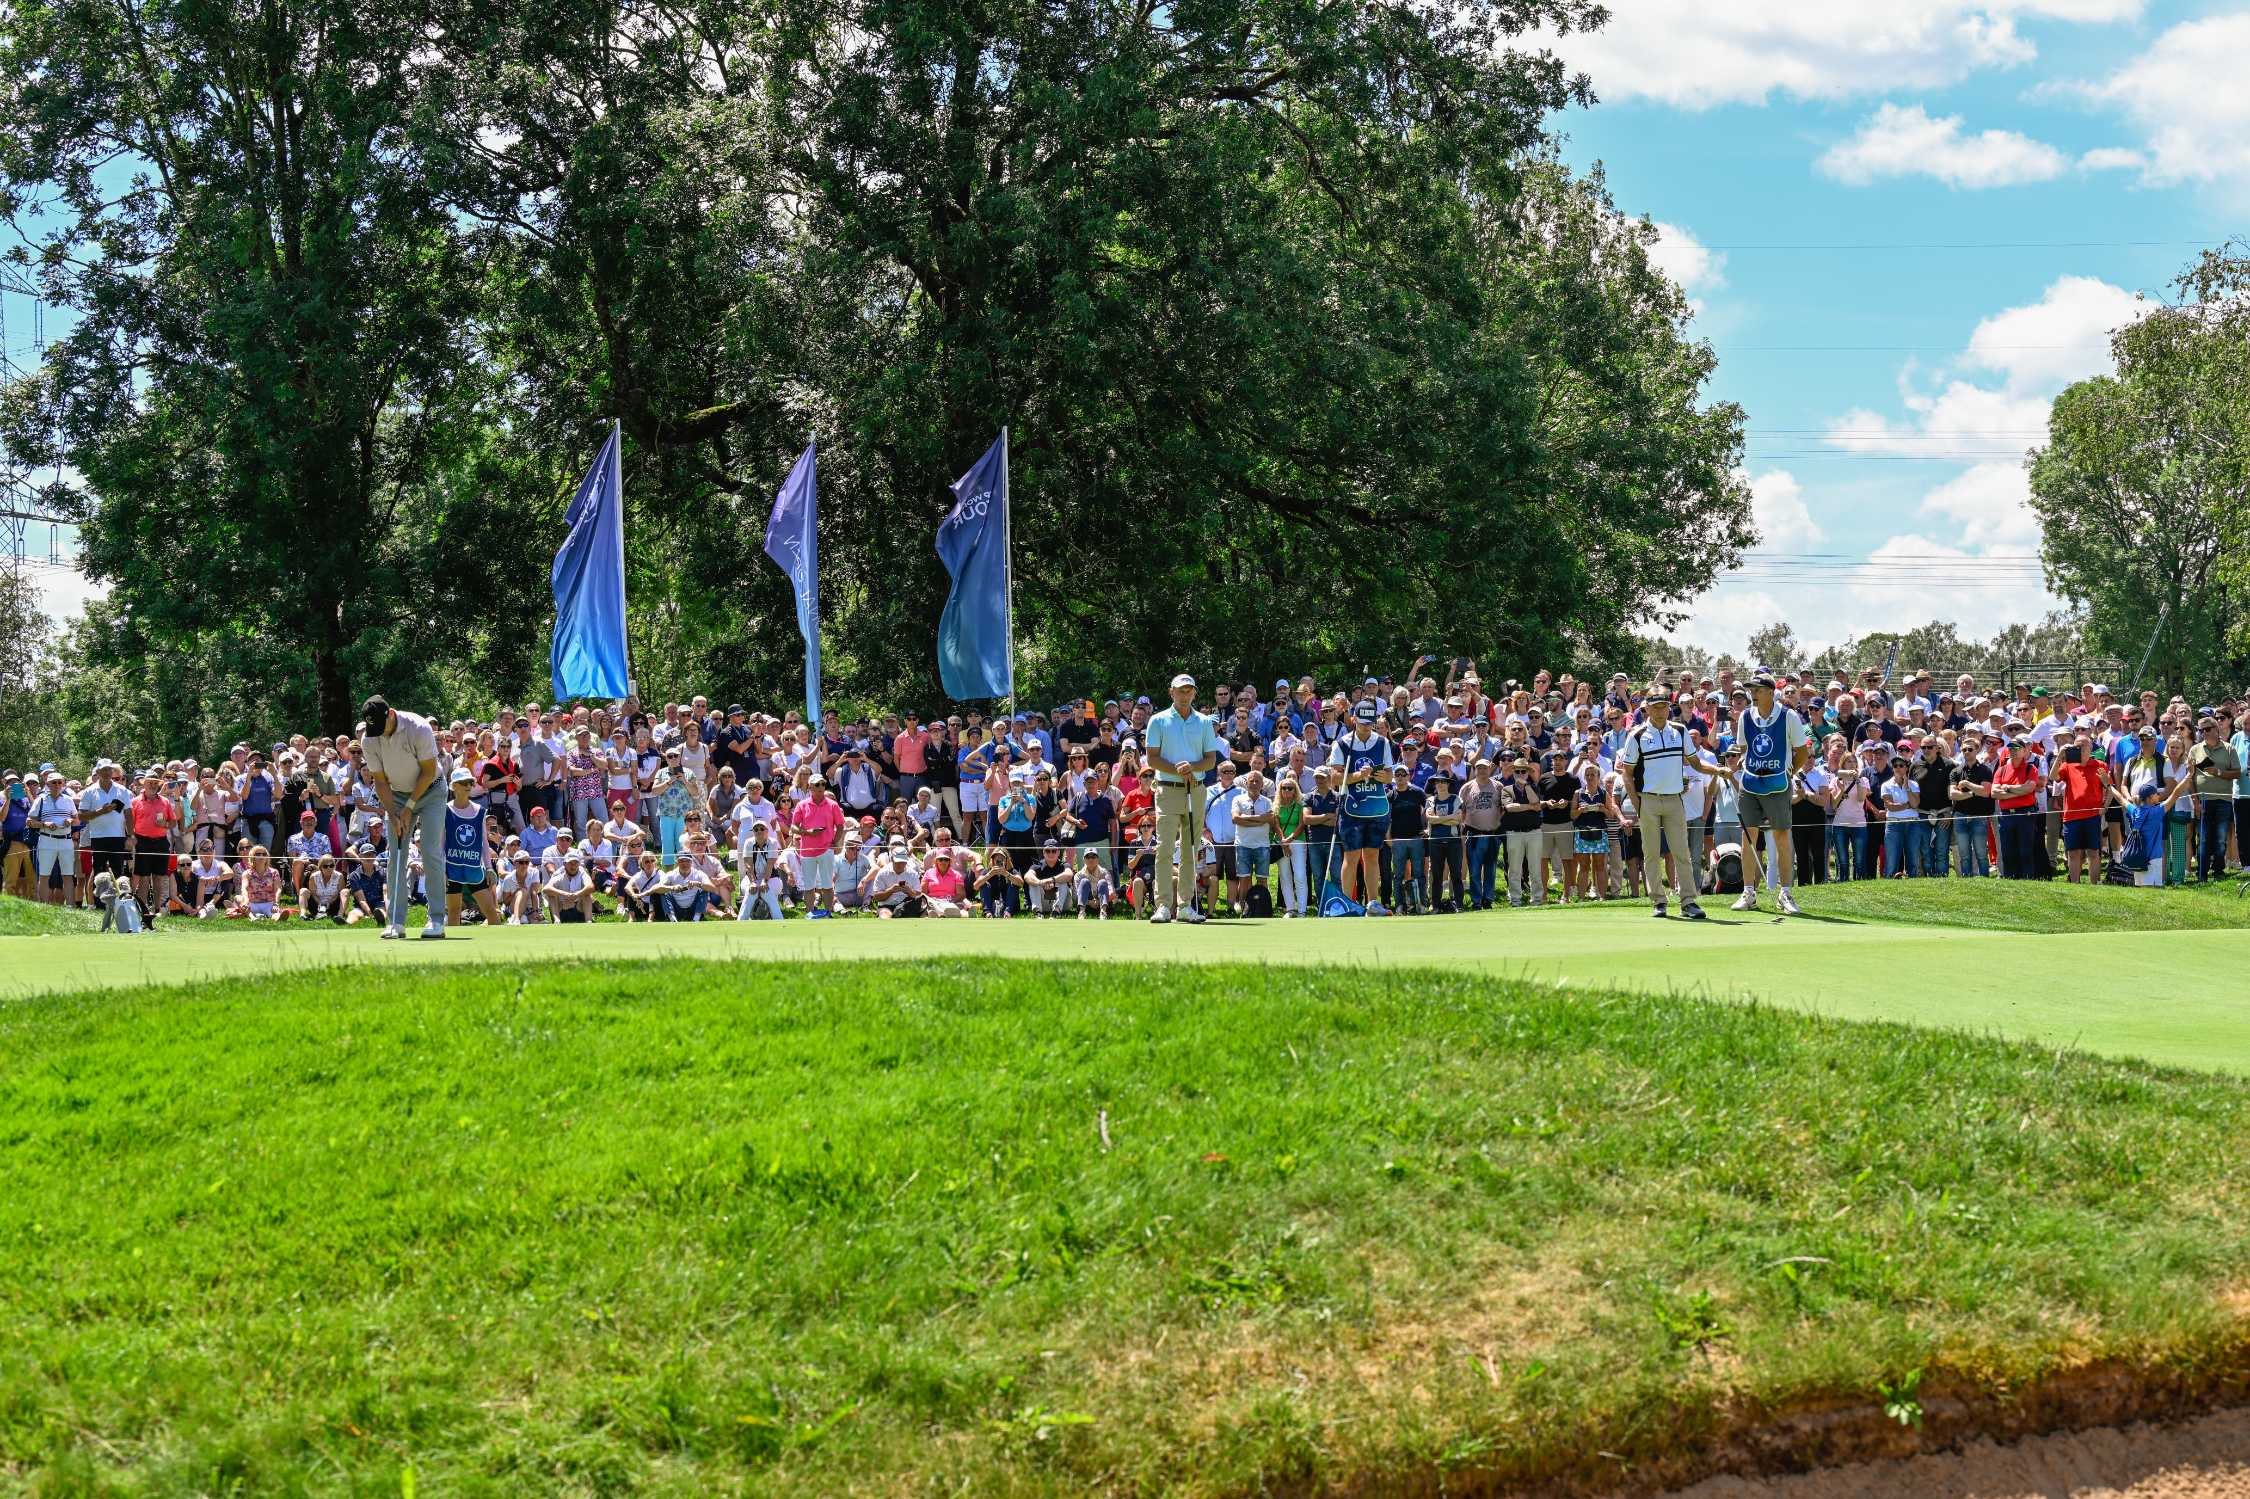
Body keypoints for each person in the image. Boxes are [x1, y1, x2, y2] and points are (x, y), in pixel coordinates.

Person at [1616, 689, 1713, 920]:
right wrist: (1638, 804)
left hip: (1674, 799)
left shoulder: (1679, 731)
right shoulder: (1637, 735)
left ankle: (1688, 901)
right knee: (1650, 854)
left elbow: (1696, 763)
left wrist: (1718, 770)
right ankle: (1659, 901)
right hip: (1648, 800)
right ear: (1647, 708)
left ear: (1669, 708)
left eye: (1663, 706)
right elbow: (1627, 774)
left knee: (1682, 852)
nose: (1660, 711)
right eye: (1655, 706)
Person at [360, 695, 449, 939]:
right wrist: (393, 813)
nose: (378, 733)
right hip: (396, 795)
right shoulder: (370, 738)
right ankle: (396, 922)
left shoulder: (418, 727)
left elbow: (429, 771)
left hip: (431, 791)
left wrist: (410, 807)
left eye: (381, 726)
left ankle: (437, 919)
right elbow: (379, 781)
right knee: (396, 855)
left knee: (430, 851)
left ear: (391, 713)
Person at [1144, 673, 1222, 924]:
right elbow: (1152, 758)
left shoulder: (1203, 722)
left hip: (1196, 789)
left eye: (1189, 691)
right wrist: (1178, 769)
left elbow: (1210, 759)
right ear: (1171, 692)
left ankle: (1186, 905)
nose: (1185, 694)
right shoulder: (1158, 720)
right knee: (1165, 848)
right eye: (1180, 690)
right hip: (1167, 789)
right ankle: (1164, 905)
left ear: (1194, 694)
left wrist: (1192, 767)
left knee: (1190, 849)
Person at [1731, 673, 1810, 915]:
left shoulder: (1788, 716)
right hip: (1750, 782)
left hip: (1777, 784)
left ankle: (1785, 893)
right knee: (1748, 838)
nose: (1752, 694)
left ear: (1769, 691)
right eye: (1751, 690)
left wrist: (1788, 773)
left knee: (1782, 837)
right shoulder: (1746, 716)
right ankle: (1748, 892)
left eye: (1757, 690)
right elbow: (1743, 748)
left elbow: (1801, 752)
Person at [1328, 699, 1395, 915]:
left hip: (1376, 806)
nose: (1367, 727)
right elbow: (1335, 778)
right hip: (1351, 808)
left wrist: (1381, 775)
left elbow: (1389, 776)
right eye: (1363, 722)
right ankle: (1348, 903)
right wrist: (1358, 776)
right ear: (1354, 719)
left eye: (1370, 723)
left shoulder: (1383, 743)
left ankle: (1372, 903)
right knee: (1351, 856)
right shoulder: (1342, 744)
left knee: (1372, 855)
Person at [442, 769, 503, 926]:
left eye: (470, 782)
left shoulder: (480, 811)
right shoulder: (445, 810)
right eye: (463, 783)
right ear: (454, 786)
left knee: (490, 910)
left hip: (474, 868)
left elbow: (483, 842)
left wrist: (489, 868)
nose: (468, 786)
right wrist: (442, 870)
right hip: (452, 868)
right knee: (454, 911)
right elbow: (441, 843)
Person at [30, 769, 77, 907]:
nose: (57, 785)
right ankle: (43, 906)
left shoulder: (69, 800)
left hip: (66, 840)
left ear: (63, 784)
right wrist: (44, 824)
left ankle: (70, 907)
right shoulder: (40, 800)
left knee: (67, 875)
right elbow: (30, 821)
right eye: (54, 782)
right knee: (44, 876)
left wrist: (70, 820)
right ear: (47, 784)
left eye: (59, 782)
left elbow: (77, 819)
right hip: (46, 839)